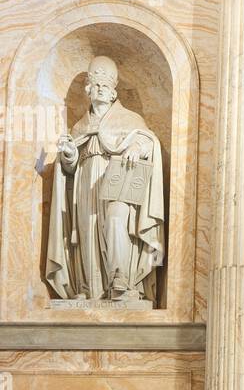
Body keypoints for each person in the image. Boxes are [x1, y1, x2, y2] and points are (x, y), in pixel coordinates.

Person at [45, 56, 166, 304]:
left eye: (104, 85)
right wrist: (69, 154)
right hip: (85, 186)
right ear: (88, 90)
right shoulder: (80, 126)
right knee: (87, 232)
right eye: (95, 85)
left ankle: (122, 282)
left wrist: (136, 146)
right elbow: (70, 165)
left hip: (118, 182)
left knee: (115, 221)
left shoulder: (129, 119)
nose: (99, 89)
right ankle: (90, 288)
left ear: (113, 92)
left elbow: (148, 140)